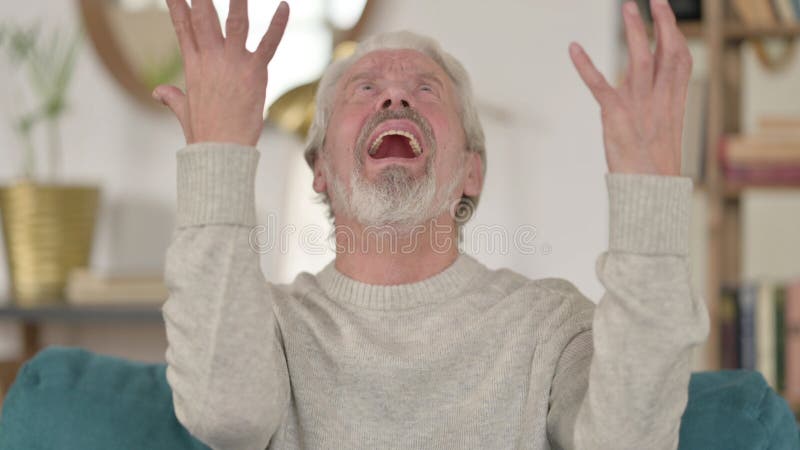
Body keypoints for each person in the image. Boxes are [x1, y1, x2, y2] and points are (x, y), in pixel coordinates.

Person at [153, 0, 709, 448]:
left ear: (472, 170)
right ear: (320, 169)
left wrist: (649, 192)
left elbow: (631, 439)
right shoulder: (267, 327)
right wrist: (219, 152)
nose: (394, 95)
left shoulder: (550, 325)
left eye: (426, 88)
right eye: (364, 89)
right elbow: (224, 417)